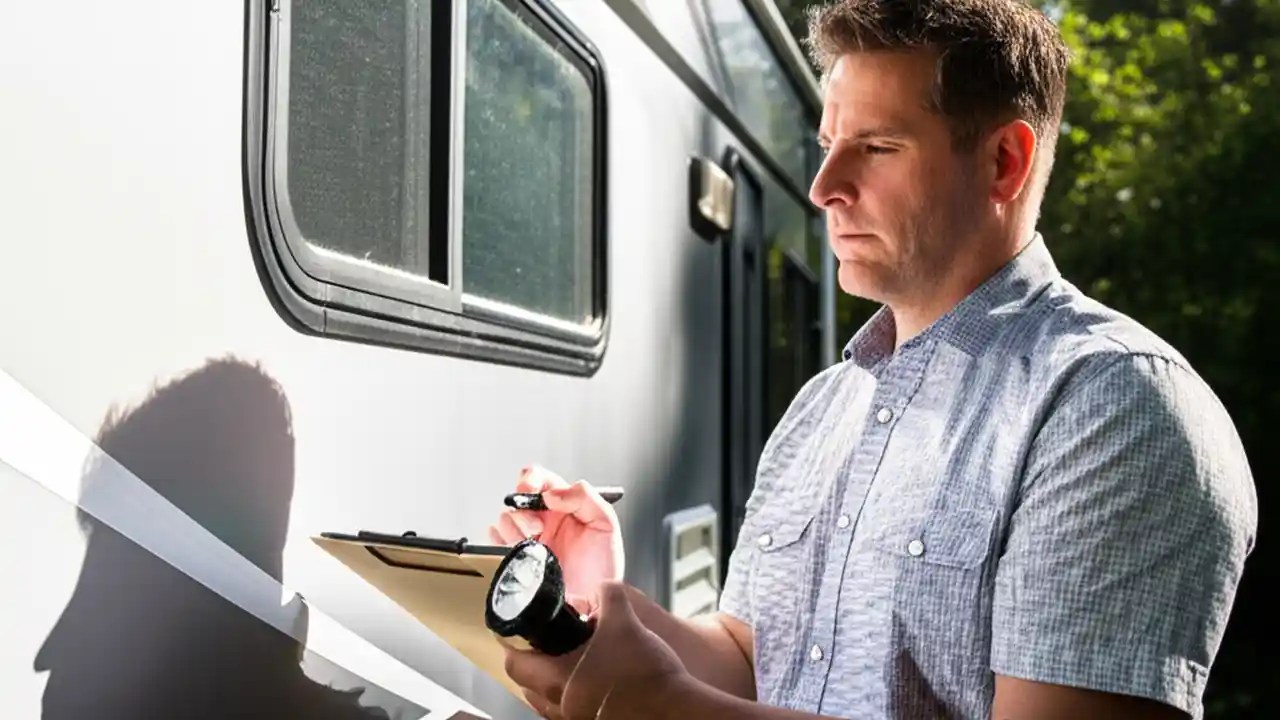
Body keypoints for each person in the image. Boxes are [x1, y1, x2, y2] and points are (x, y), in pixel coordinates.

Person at [487, 0, 1258, 717]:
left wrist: (664, 710)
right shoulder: (824, 405)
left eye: (877, 147)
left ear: (1004, 162)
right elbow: (749, 662)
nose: (825, 188)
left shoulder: (1117, 409)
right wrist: (595, 610)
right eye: (827, 147)